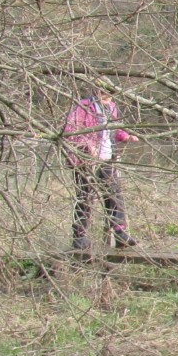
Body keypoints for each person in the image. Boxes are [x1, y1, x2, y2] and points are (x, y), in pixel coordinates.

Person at [63, 83, 139, 251]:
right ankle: (79, 236)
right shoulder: (83, 107)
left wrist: (125, 136)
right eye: (103, 93)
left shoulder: (112, 108)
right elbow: (70, 131)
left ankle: (119, 232)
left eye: (110, 93)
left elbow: (115, 130)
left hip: (106, 158)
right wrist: (87, 145)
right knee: (85, 197)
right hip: (84, 161)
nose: (107, 96)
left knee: (114, 195)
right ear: (96, 92)